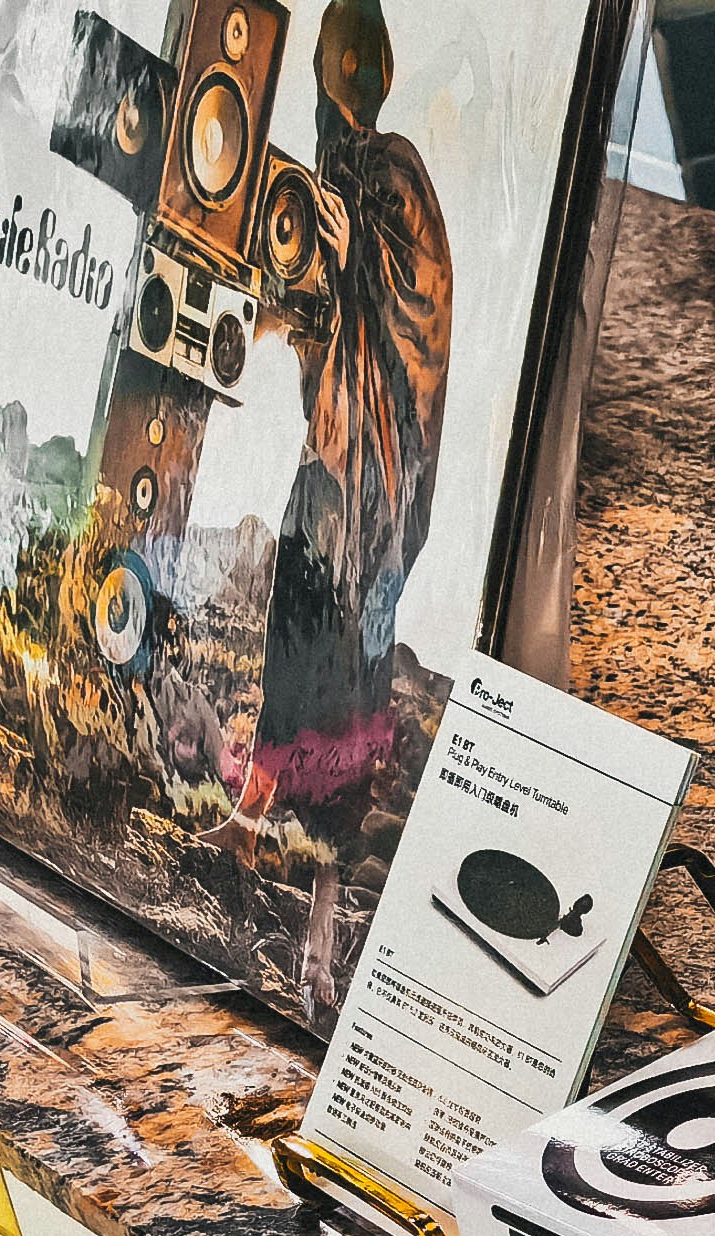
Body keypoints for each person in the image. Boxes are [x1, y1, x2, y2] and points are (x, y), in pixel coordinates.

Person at [255, 0, 450, 820]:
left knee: (343, 620)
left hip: (371, 461)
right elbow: (321, 312)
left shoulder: (394, 171)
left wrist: (349, 250)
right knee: (294, 604)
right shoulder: (329, 173)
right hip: (330, 445)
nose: (354, 81)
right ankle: (264, 804)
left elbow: (416, 315)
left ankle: (327, 821)